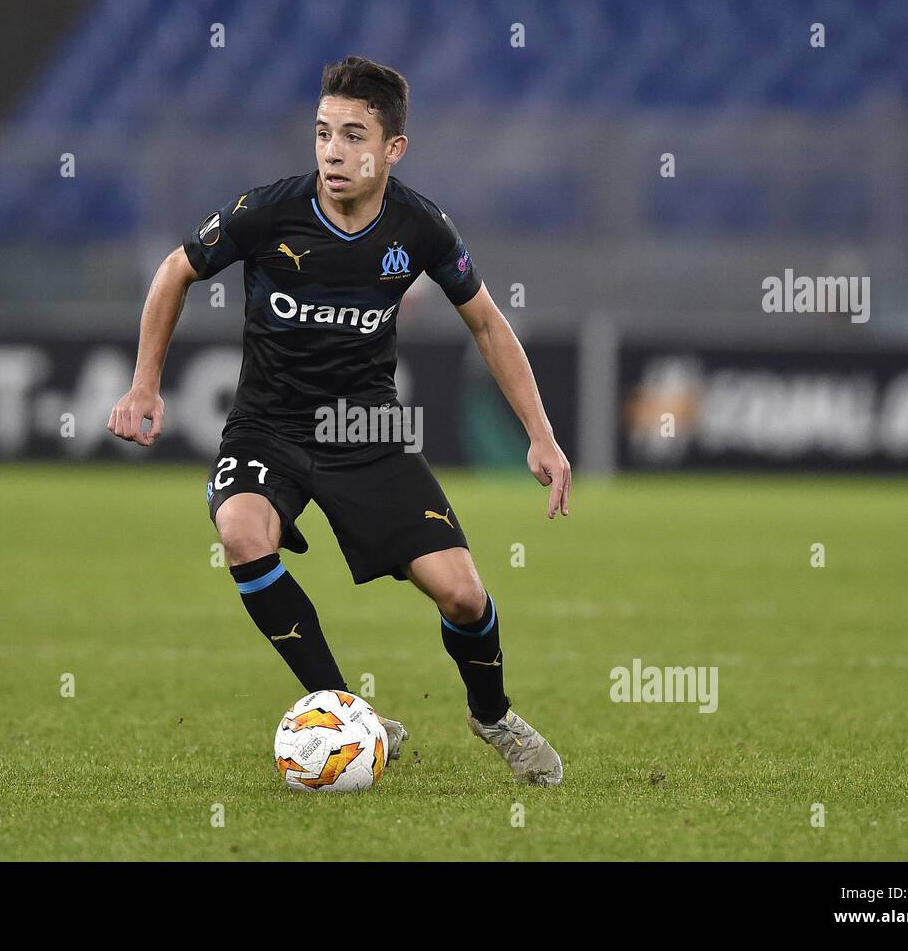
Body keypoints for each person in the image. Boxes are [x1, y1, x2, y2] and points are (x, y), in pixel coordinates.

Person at [109, 56, 569, 784]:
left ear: (393, 149)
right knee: (240, 532)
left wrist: (541, 435)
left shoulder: (418, 227)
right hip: (267, 426)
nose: (332, 150)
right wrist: (144, 386)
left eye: (354, 135)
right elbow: (175, 271)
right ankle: (343, 708)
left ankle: (494, 717)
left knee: (462, 594)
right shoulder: (265, 212)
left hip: (365, 431)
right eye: (323, 133)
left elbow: (485, 322)